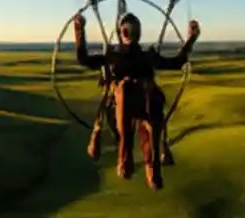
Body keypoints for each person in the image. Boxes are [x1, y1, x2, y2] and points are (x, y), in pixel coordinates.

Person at [72, 11, 200, 190]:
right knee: (125, 90)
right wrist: (79, 30)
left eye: (133, 31)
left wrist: (191, 40)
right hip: (121, 107)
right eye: (127, 30)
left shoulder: (146, 56)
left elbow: (177, 62)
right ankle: (127, 155)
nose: (130, 34)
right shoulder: (112, 56)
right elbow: (83, 59)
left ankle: (152, 164)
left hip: (147, 106)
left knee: (148, 100)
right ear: (122, 32)